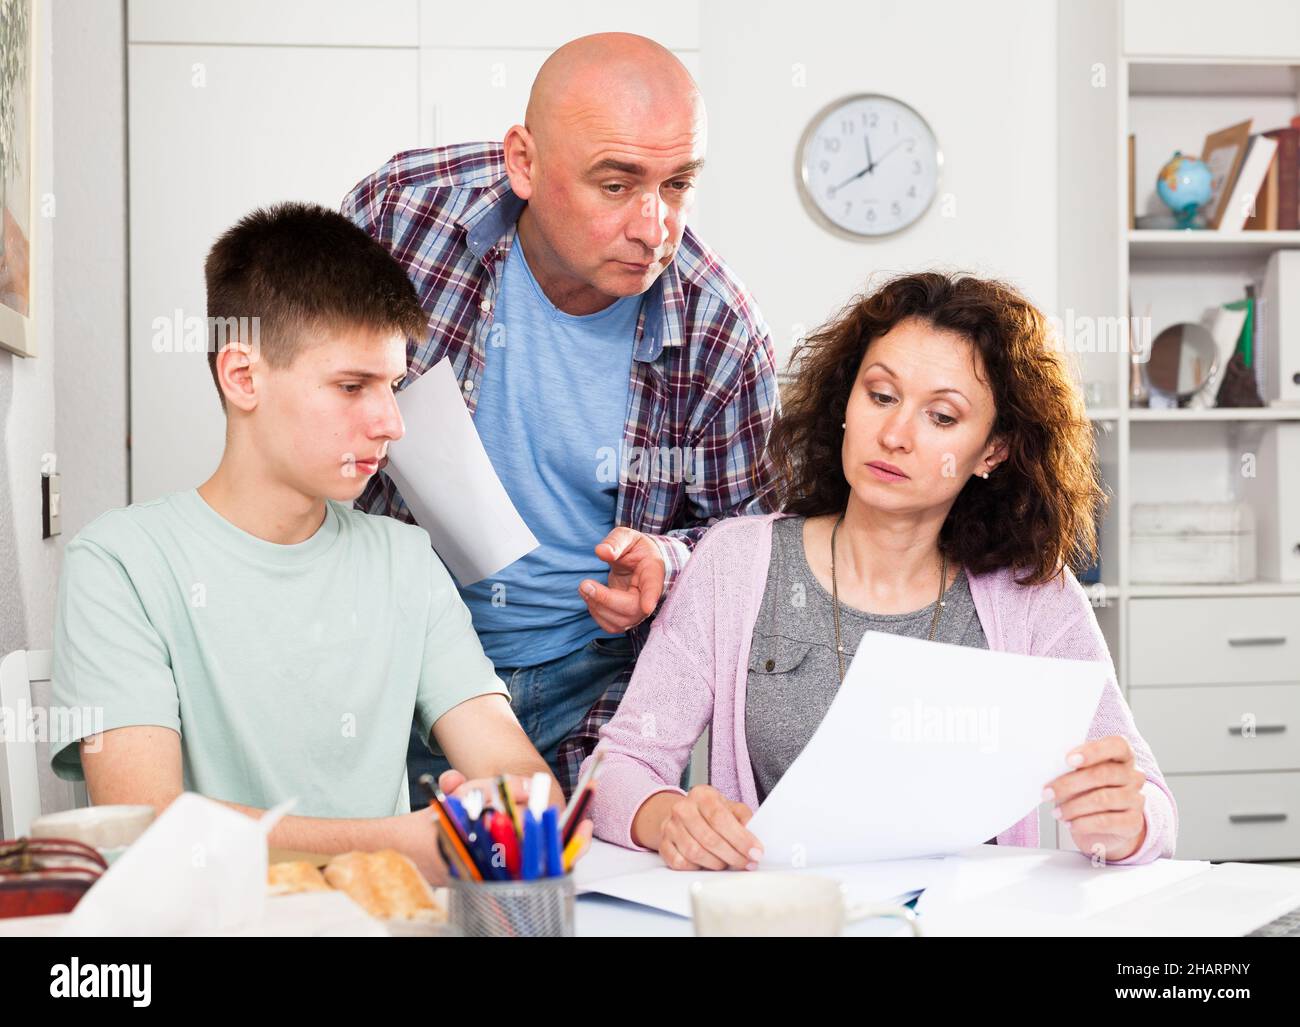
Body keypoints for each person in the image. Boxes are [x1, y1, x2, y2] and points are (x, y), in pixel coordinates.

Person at [49, 202, 573, 883]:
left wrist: (508, 806)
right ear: (243, 376)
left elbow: (525, 782)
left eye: (393, 385)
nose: (391, 422)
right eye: (352, 386)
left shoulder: (406, 560)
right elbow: (146, 825)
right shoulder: (119, 562)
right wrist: (400, 843)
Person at [584, 271, 1177, 869]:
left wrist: (1126, 822)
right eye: (881, 396)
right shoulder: (735, 564)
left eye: (941, 417)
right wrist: (668, 816)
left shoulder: (1033, 596)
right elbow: (616, 770)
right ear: (847, 402)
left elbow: (1151, 803)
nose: (893, 435)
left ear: (993, 451)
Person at [344, 32, 778, 800]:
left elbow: (757, 545)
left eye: (677, 184)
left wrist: (668, 561)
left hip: (593, 682)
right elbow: (300, 381)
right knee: (376, 899)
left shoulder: (722, 331)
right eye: (617, 185)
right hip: (385, 653)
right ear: (524, 161)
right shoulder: (400, 214)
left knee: (572, 905)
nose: (655, 229)